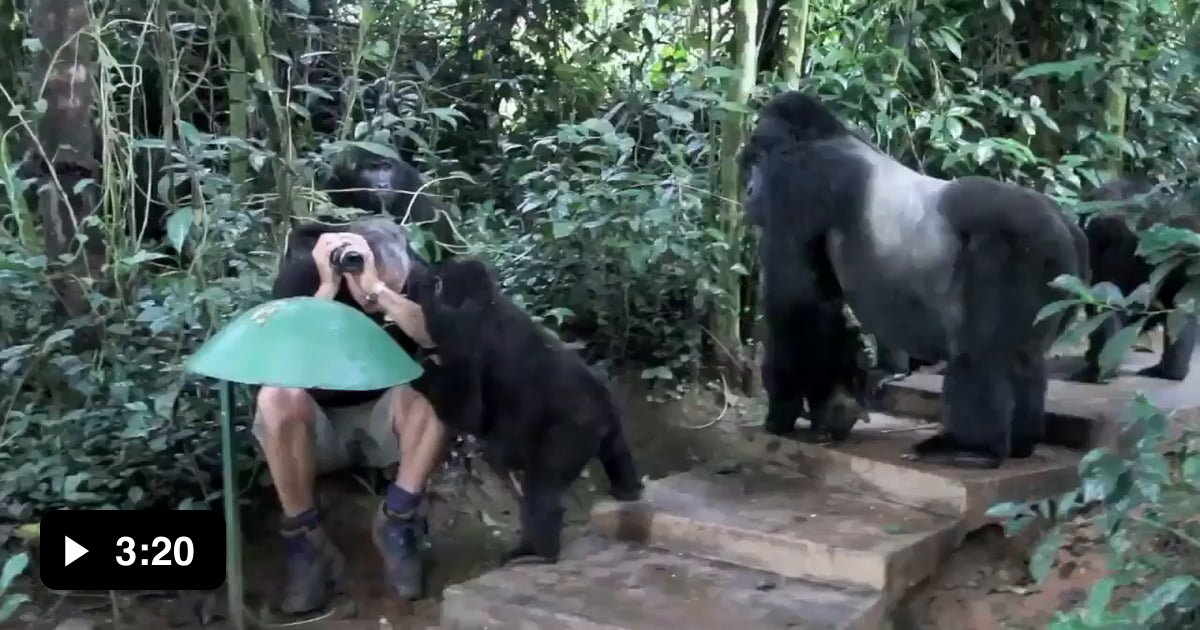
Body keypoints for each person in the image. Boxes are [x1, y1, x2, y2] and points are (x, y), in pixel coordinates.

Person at [253, 217, 447, 614]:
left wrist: (380, 291)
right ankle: (305, 540)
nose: (387, 292)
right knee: (275, 396)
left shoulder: (411, 275)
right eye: (376, 281)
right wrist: (327, 289)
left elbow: (435, 338)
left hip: (383, 414)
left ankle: (399, 518)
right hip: (315, 422)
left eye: (398, 282)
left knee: (440, 386)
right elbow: (281, 354)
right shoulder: (305, 275)